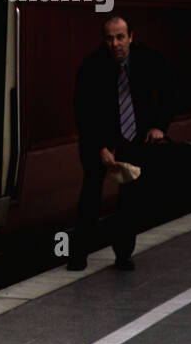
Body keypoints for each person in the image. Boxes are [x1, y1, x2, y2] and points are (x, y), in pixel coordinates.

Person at [69, 15, 175, 271]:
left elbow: (170, 92)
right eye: (109, 38)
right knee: (91, 192)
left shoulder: (150, 59)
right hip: (100, 134)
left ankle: (123, 254)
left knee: (130, 196)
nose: (115, 43)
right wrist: (99, 148)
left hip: (135, 134)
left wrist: (159, 126)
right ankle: (78, 254)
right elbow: (83, 111)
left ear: (131, 37)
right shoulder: (92, 66)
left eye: (120, 37)